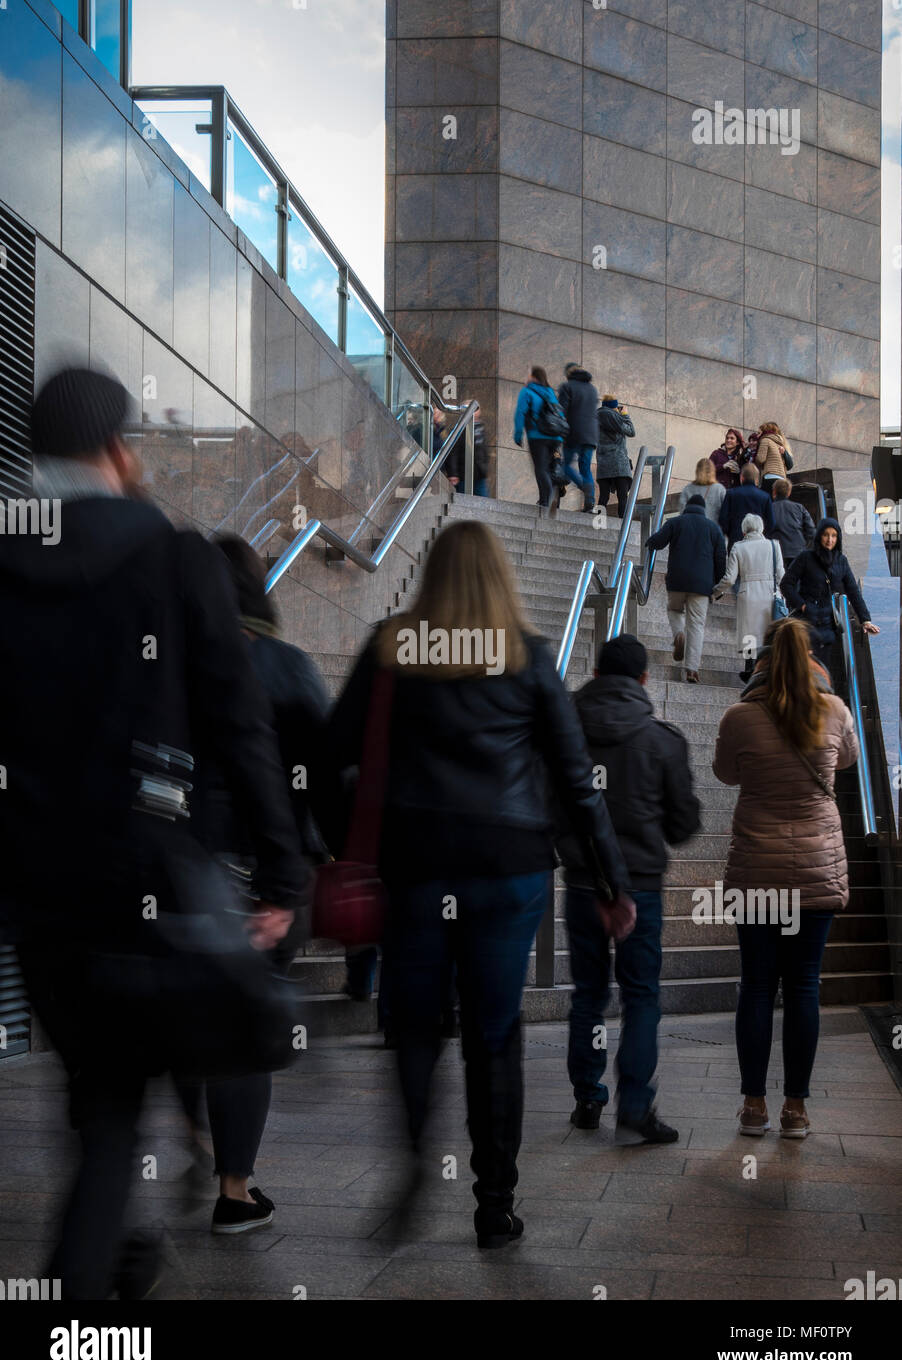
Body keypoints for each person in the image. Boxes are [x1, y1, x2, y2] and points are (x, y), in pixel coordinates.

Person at [0, 368, 306, 1299]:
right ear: (121, 450)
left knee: (99, 1105)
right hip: (144, 874)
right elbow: (239, 722)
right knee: (109, 1116)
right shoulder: (176, 558)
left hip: (34, 887)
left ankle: (103, 1267)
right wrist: (283, 871)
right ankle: (84, 1294)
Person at [327, 520, 632, 1249]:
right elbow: (575, 779)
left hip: (417, 867)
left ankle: (409, 1169)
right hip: (508, 867)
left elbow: (329, 751)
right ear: (501, 579)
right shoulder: (529, 656)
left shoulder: (391, 647)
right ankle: (494, 1204)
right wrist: (610, 878)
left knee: (416, 1029)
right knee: (494, 1035)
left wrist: (341, 845)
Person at [177, 535, 343, 1234]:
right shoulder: (286, 666)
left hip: (177, 872)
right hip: (265, 872)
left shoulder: (167, 666)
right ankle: (235, 1191)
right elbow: (327, 772)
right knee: (242, 1028)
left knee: (191, 1014)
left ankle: (198, 1135)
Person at [713, 618, 859, 1140]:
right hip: (817, 869)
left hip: (758, 871)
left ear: (764, 657)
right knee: (803, 987)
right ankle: (796, 1109)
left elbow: (725, 773)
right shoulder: (835, 710)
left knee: (756, 985)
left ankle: (754, 1105)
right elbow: (847, 760)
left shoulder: (740, 715)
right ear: (813, 658)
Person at [557, 635, 700, 1143]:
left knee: (588, 994)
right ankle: (635, 1108)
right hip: (639, 887)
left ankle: (587, 1097)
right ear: (644, 680)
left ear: (595, 676)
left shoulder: (567, 734)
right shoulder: (663, 741)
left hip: (581, 883)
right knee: (641, 996)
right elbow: (684, 826)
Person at [646, 493, 726, 684]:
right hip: (702, 586)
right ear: (703, 510)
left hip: (677, 581)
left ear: (687, 507)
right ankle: (691, 670)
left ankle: (678, 634)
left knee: (673, 609)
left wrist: (648, 542)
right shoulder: (714, 529)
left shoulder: (676, 522)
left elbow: (656, 542)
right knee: (697, 626)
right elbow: (721, 559)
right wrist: (716, 585)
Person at [780, 517, 880, 670]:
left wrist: (865, 619)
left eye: (834, 536)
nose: (830, 540)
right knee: (802, 669)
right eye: (826, 535)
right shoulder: (806, 557)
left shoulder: (841, 561)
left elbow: (853, 591)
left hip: (827, 624)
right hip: (805, 621)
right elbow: (786, 584)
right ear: (819, 535)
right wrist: (802, 605)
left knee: (822, 671)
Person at [713, 513, 784, 682]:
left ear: (744, 531)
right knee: (768, 633)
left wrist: (716, 591)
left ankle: (750, 668)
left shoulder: (738, 547)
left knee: (750, 634)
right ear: (761, 528)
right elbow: (781, 575)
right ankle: (768, 668)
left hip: (748, 594)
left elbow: (730, 578)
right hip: (770, 595)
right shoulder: (774, 546)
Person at [513, 366, 564, 511]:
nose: (526, 377)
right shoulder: (550, 392)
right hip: (555, 436)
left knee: (540, 468)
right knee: (548, 468)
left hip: (538, 436)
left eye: (528, 374)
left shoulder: (527, 391)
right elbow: (559, 414)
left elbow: (520, 413)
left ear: (534, 377)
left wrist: (518, 434)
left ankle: (546, 498)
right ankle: (544, 500)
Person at [556, 362, 598, 512]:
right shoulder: (592, 389)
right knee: (585, 467)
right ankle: (590, 501)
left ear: (568, 374)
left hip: (573, 433)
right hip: (591, 435)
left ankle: (582, 485)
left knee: (566, 466)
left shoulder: (567, 387)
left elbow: (561, 411)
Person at [595, 394, 635, 518]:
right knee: (622, 496)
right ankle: (622, 524)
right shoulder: (616, 418)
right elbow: (631, 431)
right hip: (619, 462)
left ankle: (597, 524)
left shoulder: (595, 417)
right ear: (614, 407)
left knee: (603, 496)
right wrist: (625, 415)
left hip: (603, 461)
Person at [718, 463, 775, 547]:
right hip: (758, 542)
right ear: (757, 479)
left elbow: (723, 519)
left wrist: (730, 533)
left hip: (736, 540)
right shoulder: (765, 497)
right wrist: (762, 534)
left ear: (741, 477)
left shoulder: (731, 494)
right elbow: (771, 523)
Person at [770, 478, 815, 565]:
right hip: (798, 552)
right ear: (789, 492)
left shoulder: (769, 508)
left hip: (775, 552)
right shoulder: (799, 508)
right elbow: (811, 531)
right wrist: (804, 547)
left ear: (774, 491)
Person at [679, 456, 726, 523]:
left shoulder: (688, 488)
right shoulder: (719, 489)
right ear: (713, 471)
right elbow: (725, 512)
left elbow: (682, 510)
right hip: (713, 528)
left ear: (697, 471)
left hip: (693, 527)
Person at [754, 421, 791, 486]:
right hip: (782, 478)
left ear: (765, 432)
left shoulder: (765, 440)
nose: (757, 436)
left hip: (769, 476)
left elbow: (760, 459)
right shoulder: (779, 443)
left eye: (759, 433)